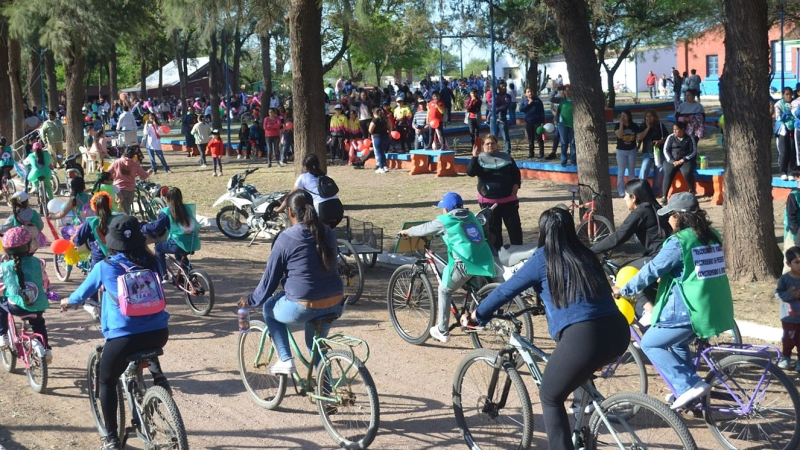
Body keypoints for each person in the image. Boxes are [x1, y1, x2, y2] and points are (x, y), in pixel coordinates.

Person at [463, 207, 630, 450]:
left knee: (550, 397)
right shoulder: (586, 254)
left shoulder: (543, 258)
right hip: (617, 330)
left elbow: (505, 290)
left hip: (585, 336)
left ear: (543, 232)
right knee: (574, 374)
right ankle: (584, 432)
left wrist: (478, 315)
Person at [613, 192, 735, 410]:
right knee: (678, 343)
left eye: (670, 214)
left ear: (680, 216)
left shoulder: (679, 242)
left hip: (689, 311)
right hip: (716, 307)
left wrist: (625, 289)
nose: (667, 219)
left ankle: (688, 385)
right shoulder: (713, 235)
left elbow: (651, 269)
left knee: (650, 343)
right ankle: (688, 395)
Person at [64, 215, 170, 450]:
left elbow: (82, 293)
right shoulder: (153, 262)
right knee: (145, 345)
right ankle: (159, 378)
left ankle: (111, 438)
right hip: (159, 332)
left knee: (106, 380)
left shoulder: (105, 266)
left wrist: (68, 301)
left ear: (111, 241)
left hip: (123, 337)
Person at [237, 190, 344, 375]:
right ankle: (328, 395)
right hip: (336, 301)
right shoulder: (327, 231)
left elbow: (270, 279)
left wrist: (252, 299)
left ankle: (285, 359)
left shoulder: (286, 238)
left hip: (305, 305)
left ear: (290, 213)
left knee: (269, 308)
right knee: (315, 348)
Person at [399, 192, 495, 343]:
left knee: (444, 289)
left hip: (464, 264)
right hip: (483, 260)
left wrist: (406, 232)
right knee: (470, 287)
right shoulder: (471, 216)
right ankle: (477, 315)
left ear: (447, 209)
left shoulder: (446, 220)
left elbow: (425, 228)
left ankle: (442, 330)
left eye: (443, 208)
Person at [591, 179, 671, 324]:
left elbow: (617, 237)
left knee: (626, 272)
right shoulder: (656, 208)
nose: (624, 199)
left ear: (634, 197)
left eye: (626, 195)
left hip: (658, 257)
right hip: (665, 255)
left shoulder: (641, 212)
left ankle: (650, 312)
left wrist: (590, 251)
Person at [0, 227, 52, 362]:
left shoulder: (5, 267)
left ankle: (2, 335)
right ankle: (46, 349)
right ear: (29, 245)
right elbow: (44, 282)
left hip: (16, 306)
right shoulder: (38, 263)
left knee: (1, 305)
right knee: (39, 323)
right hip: (38, 304)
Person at [466, 134, 523, 250]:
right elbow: (470, 172)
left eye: (492, 143)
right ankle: (497, 253)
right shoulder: (479, 159)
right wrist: (474, 157)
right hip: (489, 202)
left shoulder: (506, 157)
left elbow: (516, 173)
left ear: (497, 145)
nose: (490, 145)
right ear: (482, 146)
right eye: (487, 143)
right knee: (494, 230)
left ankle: (518, 251)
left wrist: (516, 185)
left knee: (514, 228)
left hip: (509, 200)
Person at [141, 187, 200, 279]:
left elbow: (156, 228)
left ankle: (163, 275)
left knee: (158, 248)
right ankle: (190, 273)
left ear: (167, 199)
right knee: (179, 255)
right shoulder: (187, 208)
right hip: (193, 242)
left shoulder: (166, 212)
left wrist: (143, 227)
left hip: (178, 243)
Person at [276, 154, 344, 228]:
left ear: (305, 166)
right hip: (338, 208)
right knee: (327, 232)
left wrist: (279, 209)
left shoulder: (303, 177)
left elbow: (290, 195)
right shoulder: (324, 176)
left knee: (313, 231)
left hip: (322, 209)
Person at [107, 146, 152, 215]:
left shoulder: (117, 162)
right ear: (133, 156)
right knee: (127, 209)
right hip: (130, 190)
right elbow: (143, 176)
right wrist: (149, 172)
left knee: (121, 211)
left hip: (119, 190)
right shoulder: (135, 165)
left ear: (124, 153)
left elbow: (108, 172)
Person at [775, 247, 800, 371]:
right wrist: (792, 294)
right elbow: (777, 294)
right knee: (788, 339)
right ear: (788, 264)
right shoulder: (785, 279)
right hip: (789, 318)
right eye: (797, 262)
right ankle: (786, 357)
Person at [660, 121, 697, 199]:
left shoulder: (690, 138)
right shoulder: (670, 137)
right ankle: (664, 196)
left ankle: (692, 190)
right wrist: (672, 161)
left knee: (687, 172)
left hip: (685, 160)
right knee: (668, 172)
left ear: (683, 129)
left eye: (676, 129)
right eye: (673, 129)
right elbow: (666, 150)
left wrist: (683, 160)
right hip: (671, 160)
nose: (674, 131)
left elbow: (693, 151)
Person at [636, 110, 669, 193]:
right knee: (644, 169)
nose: (648, 118)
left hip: (658, 151)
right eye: (647, 116)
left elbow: (667, 137)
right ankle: (641, 190)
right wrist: (647, 127)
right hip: (647, 151)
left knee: (659, 171)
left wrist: (660, 142)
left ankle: (656, 192)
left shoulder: (660, 125)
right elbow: (639, 137)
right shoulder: (643, 126)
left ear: (654, 117)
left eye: (650, 116)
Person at [614, 110, 640, 197]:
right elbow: (620, 135)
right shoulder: (617, 125)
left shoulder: (634, 126)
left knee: (631, 172)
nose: (622, 117)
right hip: (621, 151)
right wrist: (621, 124)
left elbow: (639, 137)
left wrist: (638, 146)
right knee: (621, 171)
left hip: (632, 150)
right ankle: (621, 190)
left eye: (624, 116)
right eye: (621, 116)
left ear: (628, 116)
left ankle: (631, 190)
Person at [550, 84, 576, 166]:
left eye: (569, 90)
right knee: (564, 142)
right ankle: (563, 160)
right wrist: (556, 90)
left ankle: (573, 160)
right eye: (565, 90)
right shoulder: (561, 100)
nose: (567, 92)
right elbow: (550, 98)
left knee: (573, 142)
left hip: (573, 123)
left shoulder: (576, 100)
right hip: (562, 123)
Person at [776, 87, 796, 180]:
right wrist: (786, 113)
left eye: (790, 94)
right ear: (783, 95)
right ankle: (782, 171)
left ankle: (790, 171)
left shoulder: (794, 103)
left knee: (792, 151)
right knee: (784, 151)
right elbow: (778, 118)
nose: (789, 96)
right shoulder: (779, 104)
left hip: (793, 130)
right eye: (786, 94)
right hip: (783, 131)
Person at [519, 87, 545, 159]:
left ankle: (541, 153)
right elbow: (521, 109)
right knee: (531, 139)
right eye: (528, 92)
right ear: (525, 94)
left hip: (537, 122)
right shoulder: (524, 101)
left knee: (539, 139)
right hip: (528, 122)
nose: (529, 93)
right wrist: (528, 104)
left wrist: (542, 122)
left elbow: (542, 111)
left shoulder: (538, 101)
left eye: (530, 91)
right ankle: (531, 153)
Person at [369, 107, 391, 173]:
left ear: (374, 113)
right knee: (382, 152)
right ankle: (385, 166)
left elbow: (370, 129)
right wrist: (389, 132)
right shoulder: (385, 119)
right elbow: (390, 125)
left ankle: (381, 167)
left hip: (377, 137)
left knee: (379, 152)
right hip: (386, 137)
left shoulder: (375, 120)